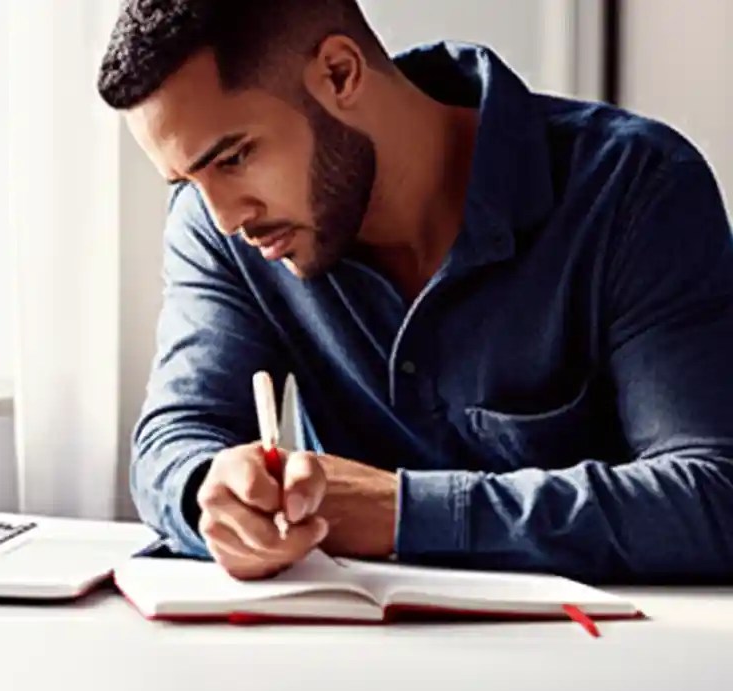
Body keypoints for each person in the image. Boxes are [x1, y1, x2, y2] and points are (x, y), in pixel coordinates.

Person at [97, 0, 733, 582]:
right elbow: (175, 440)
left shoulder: (634, 186)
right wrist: (212, 494)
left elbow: (713, 494)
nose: (227, 216)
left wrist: (403, 512)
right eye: (187, 180)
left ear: (341, 73)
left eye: (233, 157)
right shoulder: (223, 228)